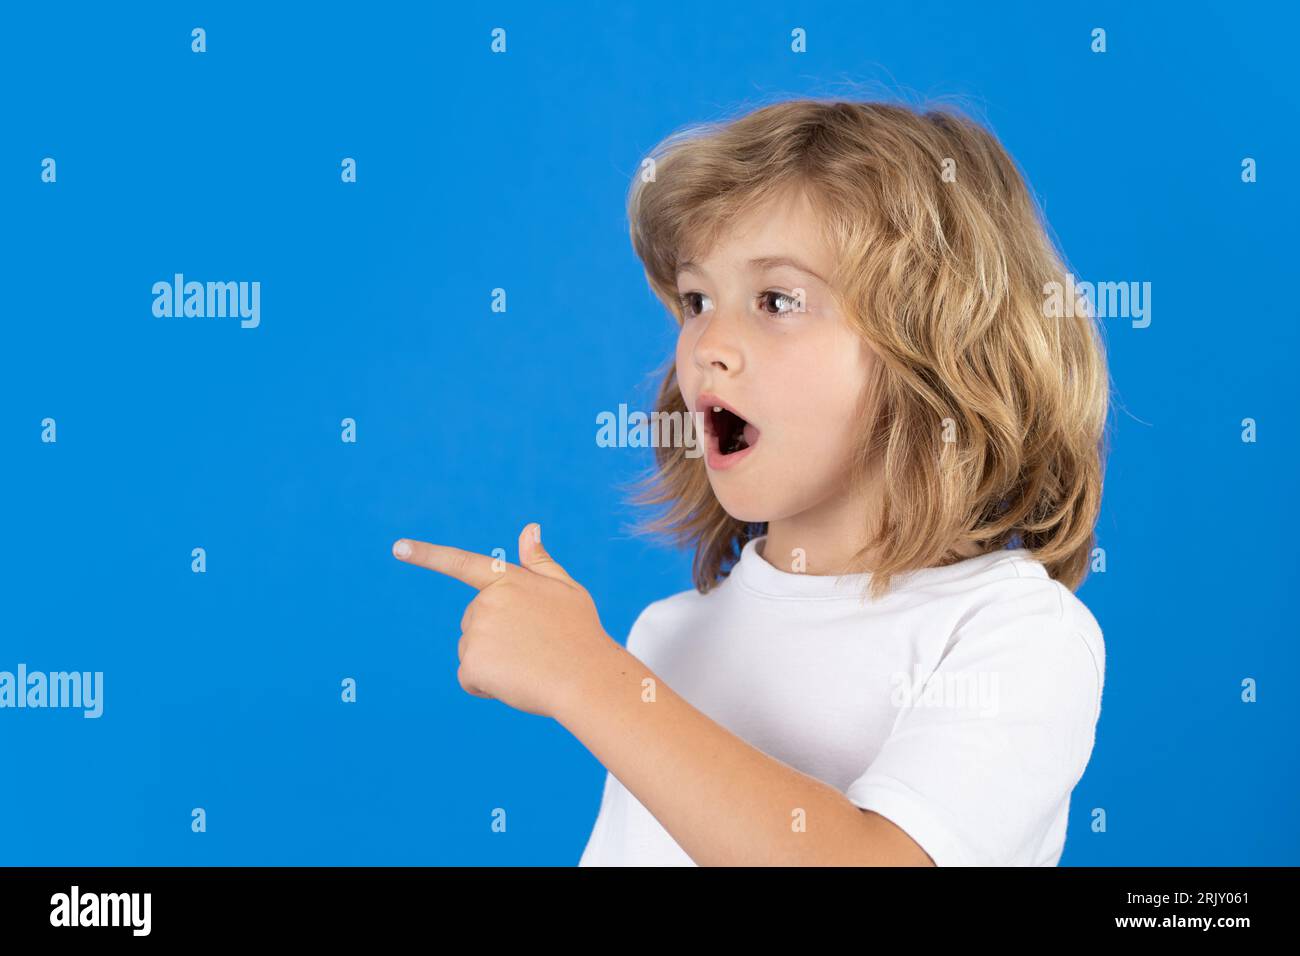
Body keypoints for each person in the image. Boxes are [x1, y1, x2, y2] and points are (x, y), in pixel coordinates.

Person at [393, 98, 1109, 866]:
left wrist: (585, 676)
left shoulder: (1012, 631)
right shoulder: (669, 638)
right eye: (697, 301)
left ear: (938, 349)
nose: (708, 345)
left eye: (776, 300)